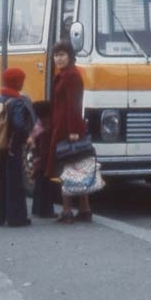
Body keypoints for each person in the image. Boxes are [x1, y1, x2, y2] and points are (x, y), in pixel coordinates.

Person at [45, 39, 92, 224]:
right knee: (75, 168)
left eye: (62, 55)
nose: (59, 58)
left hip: (67, 129)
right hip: (63, 126)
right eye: (56, 55)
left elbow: (74, 104)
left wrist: (73, 131)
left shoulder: (70, 75)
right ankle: (84, 210)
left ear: (70, 56)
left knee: (66, 169)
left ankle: (67, 211)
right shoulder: (65, 74)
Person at [0, 67, 35, 228]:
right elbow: (19, 124)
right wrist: (27, 137)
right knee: (14, 182)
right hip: (12, 146)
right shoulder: (17, 101)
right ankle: (16, 218)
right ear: (17, 82)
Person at [28, 99, 57, 218]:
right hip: (43, 164)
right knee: (46, 187)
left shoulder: (37, 126)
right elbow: (45, 152)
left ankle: (37, 209)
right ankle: (47, 211)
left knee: (39, 187)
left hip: (37, 162)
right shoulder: (44, 132)